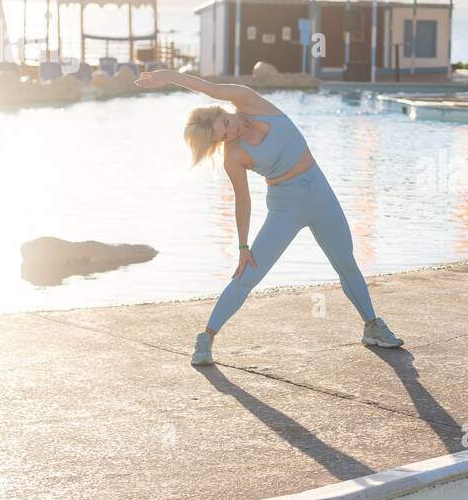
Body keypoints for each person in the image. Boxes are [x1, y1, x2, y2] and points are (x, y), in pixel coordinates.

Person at [135, 69, 403, 364]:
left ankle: (372, 327)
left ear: (222, 110)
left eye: (226, 123)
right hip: (285, 206)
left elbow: (207, 87)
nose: (231, 132)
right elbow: (243, 200)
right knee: (248, 275)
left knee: (346, 263)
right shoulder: (233, 155)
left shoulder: (249, 101)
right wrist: (242, 246)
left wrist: (167, 76)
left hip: (321, 195)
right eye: (223, 136)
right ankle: (205, 339)